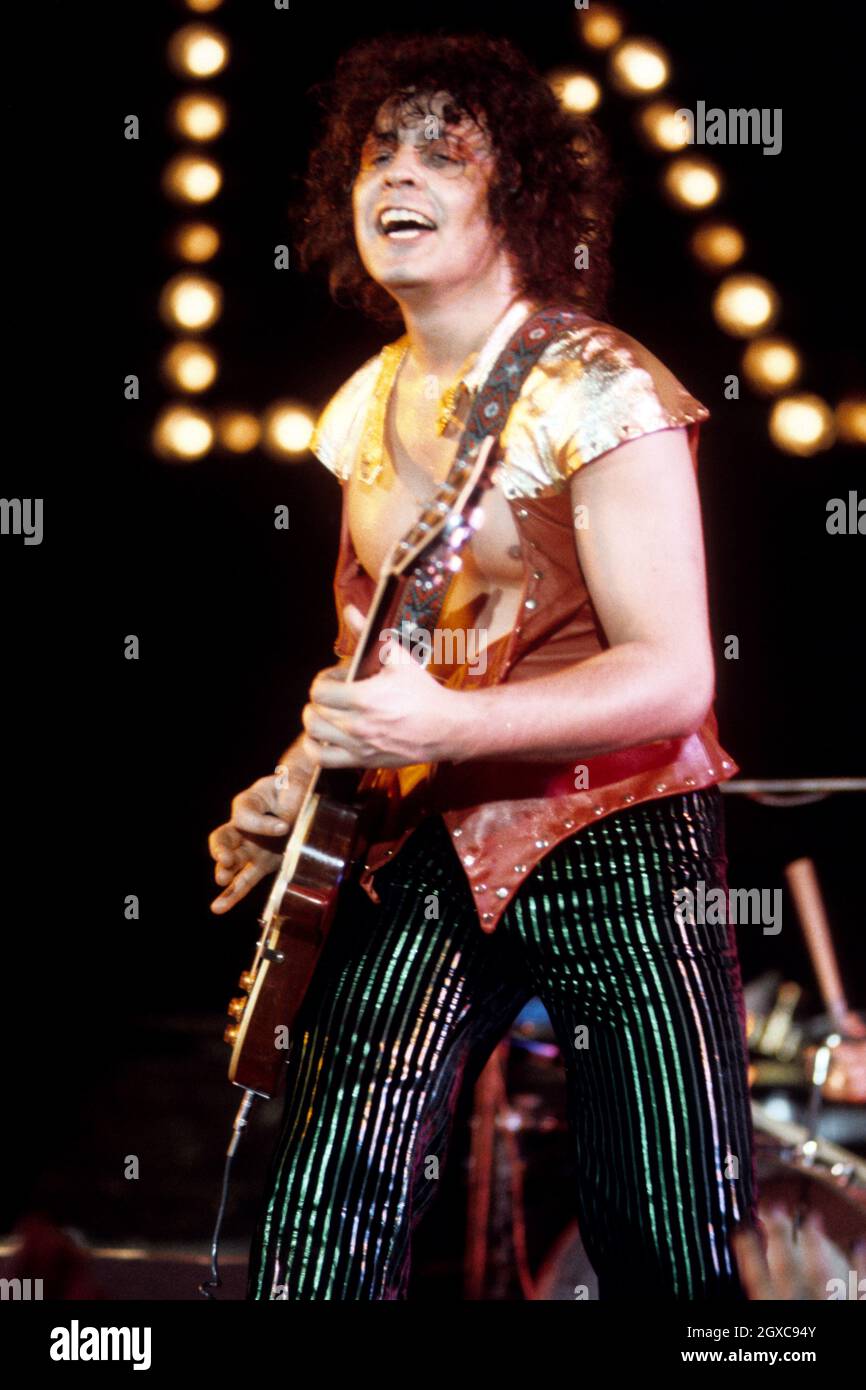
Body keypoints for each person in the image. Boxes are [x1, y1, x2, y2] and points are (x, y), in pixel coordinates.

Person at [208, 33, 763, 1301]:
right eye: (377, 152)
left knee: (665, 1226)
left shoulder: (598, 384)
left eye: (440, 152)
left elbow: (674, 676)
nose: (395, 174)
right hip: (430, 836)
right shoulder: (356, 408)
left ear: (512, 195)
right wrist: (294, 784)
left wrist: (435, 727)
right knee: (326, 1203)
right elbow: (373, 657)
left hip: (617, 830)